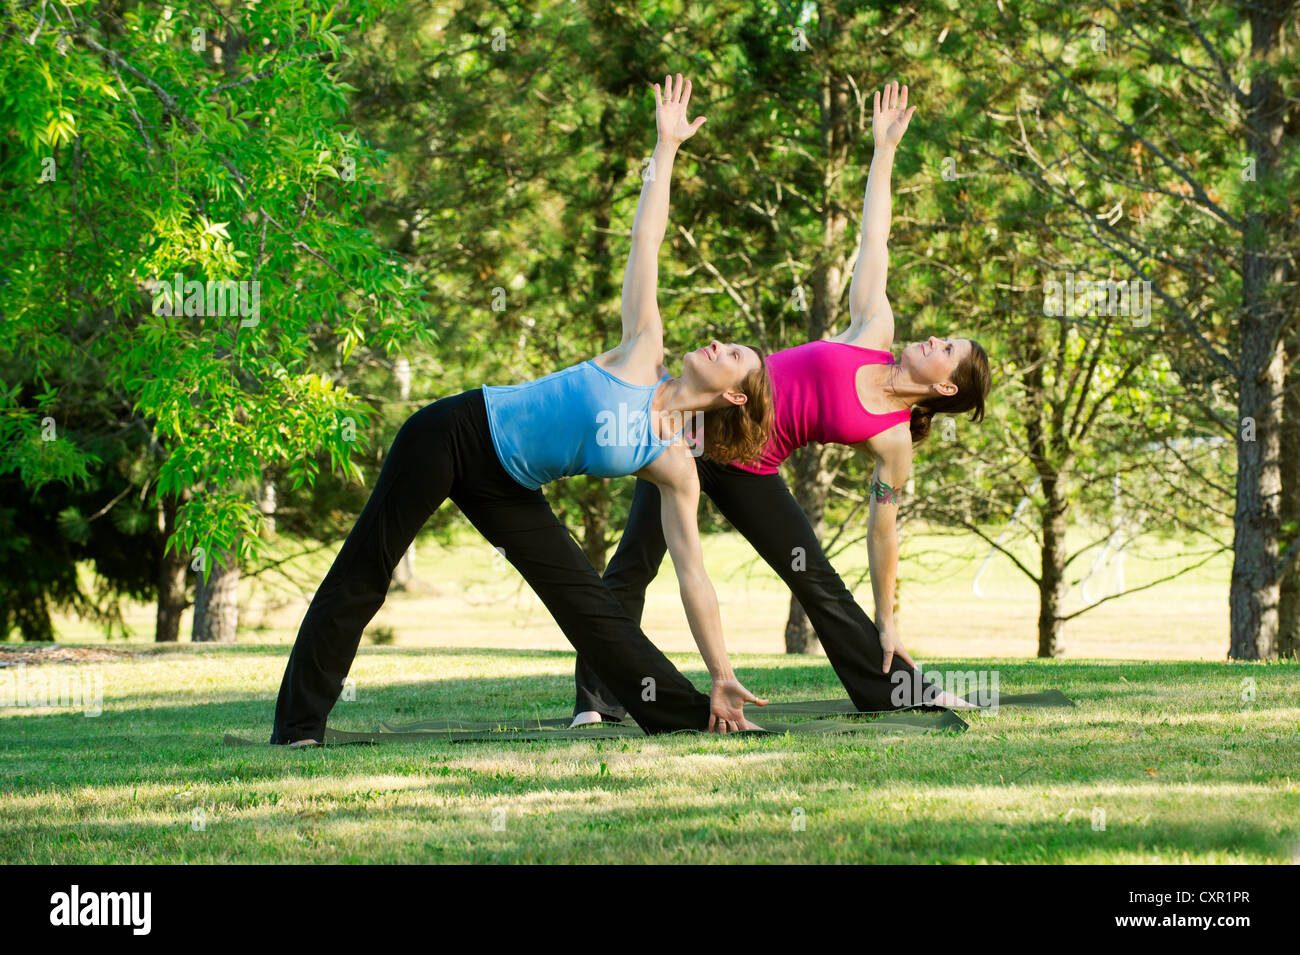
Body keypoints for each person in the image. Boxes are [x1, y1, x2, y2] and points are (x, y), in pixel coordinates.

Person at [271, 73, 773, 745]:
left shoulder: (675, 463)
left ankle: (689, 714)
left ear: (734, 394)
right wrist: (666, 147)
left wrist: (722, 671)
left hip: (509, 485)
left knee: (592, 606)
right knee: (367, 565)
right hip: (456, 433)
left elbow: (695, 579)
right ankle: (300, 726)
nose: (717, 342)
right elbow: (645, 240)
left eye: (733, 353)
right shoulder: (642, 347)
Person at [572, 81, 992, 726]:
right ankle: (595, 703)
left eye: (947, 348)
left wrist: (890, 621)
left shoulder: (894, 442)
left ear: (945, 387)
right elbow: (873, 243)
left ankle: (899, 688)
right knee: (632, 566)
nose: (934, 338)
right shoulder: (871, 332)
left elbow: (884, 531)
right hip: (689, 431)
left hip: (749, 470)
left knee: (814, 577)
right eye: (942, 335)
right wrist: (883, 153)